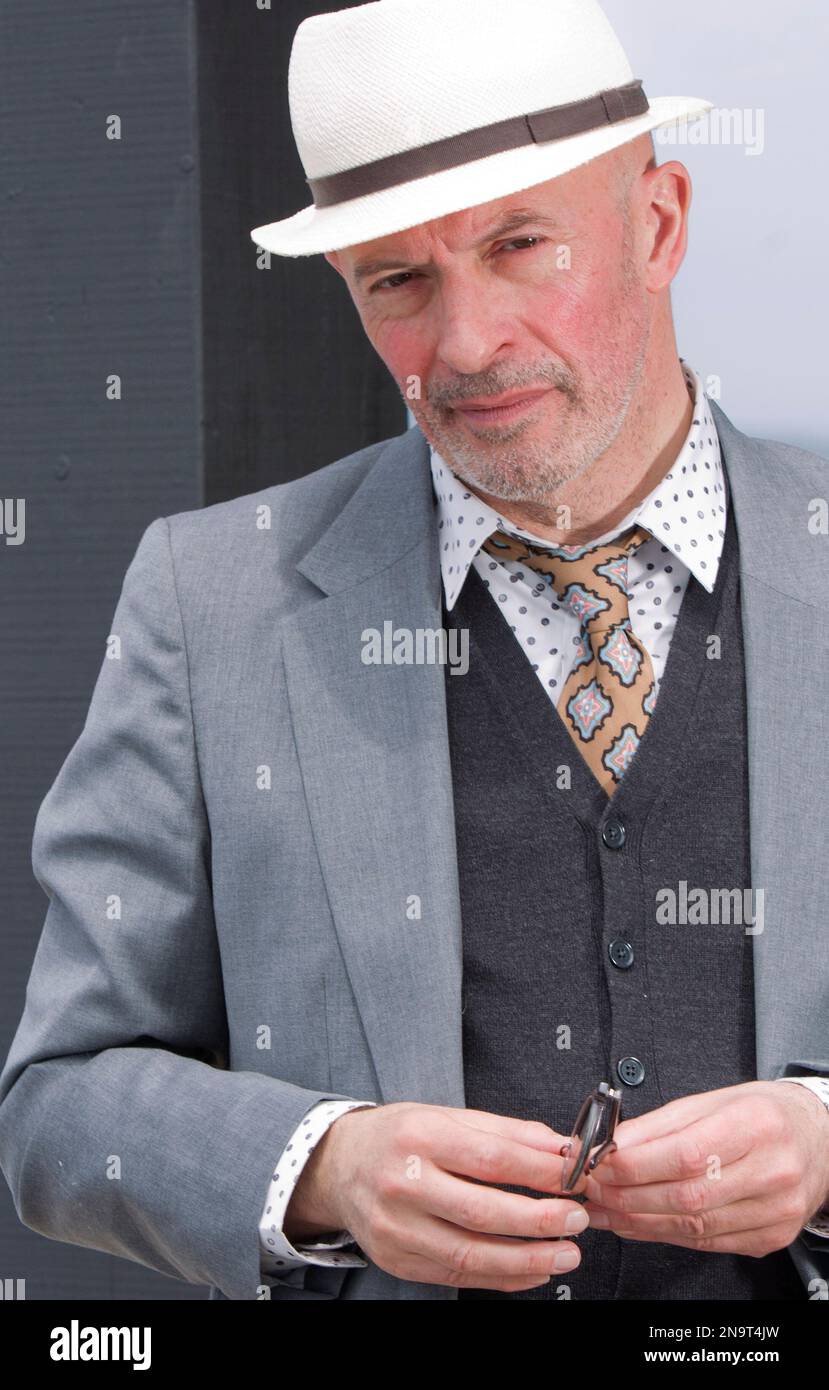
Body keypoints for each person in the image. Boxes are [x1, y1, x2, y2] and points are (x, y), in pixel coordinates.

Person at [1, 0, 828, 1302]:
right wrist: (319, 1165)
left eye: (520, 247)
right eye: (397, 279)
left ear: (658, 222)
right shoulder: (210, 600)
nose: (464, 344)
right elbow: (54, 1107)